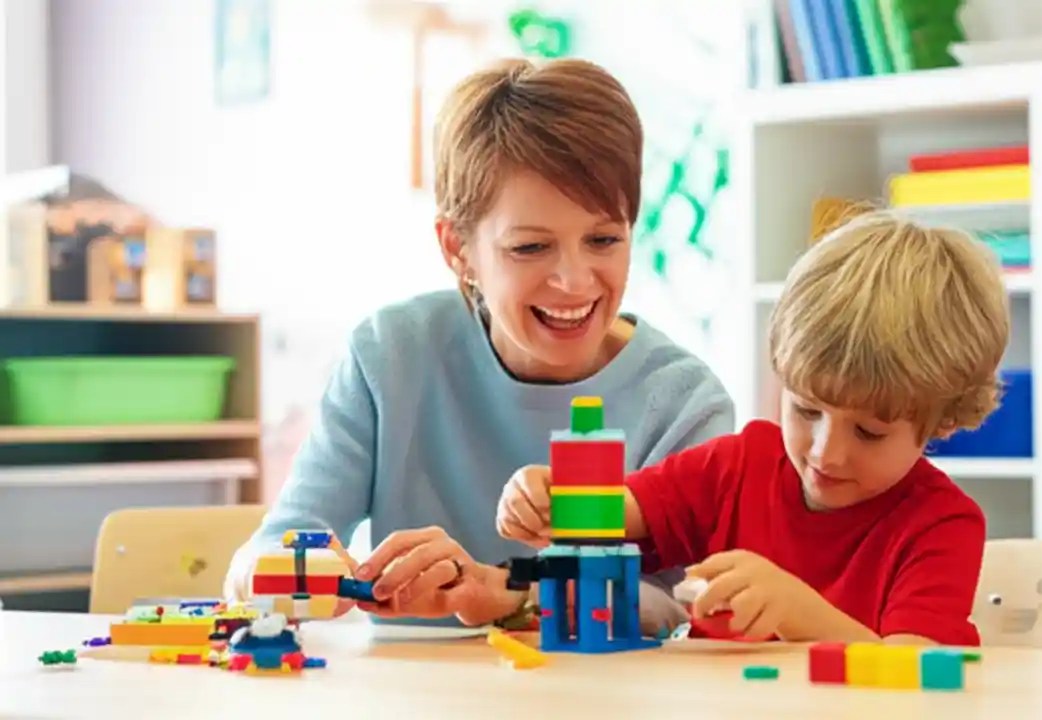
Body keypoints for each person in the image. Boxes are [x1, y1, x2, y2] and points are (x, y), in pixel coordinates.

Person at [224, 57, 734, 630]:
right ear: (457, 249)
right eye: (530, 248)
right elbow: (270, 551)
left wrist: (508, 595)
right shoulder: (388, 356)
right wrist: (297, 576)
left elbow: (678, 605)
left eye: (604, 239)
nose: (574, 281)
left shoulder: (684, 402)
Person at [492, 207, 1010, 644]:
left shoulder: (940, 526)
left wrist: (795, 611)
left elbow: (916, 674)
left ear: (944, 419)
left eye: (868, 432)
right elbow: (619, 513)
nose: (825, 452)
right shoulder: (742, 465)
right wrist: (553, 501)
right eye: (806, 410)